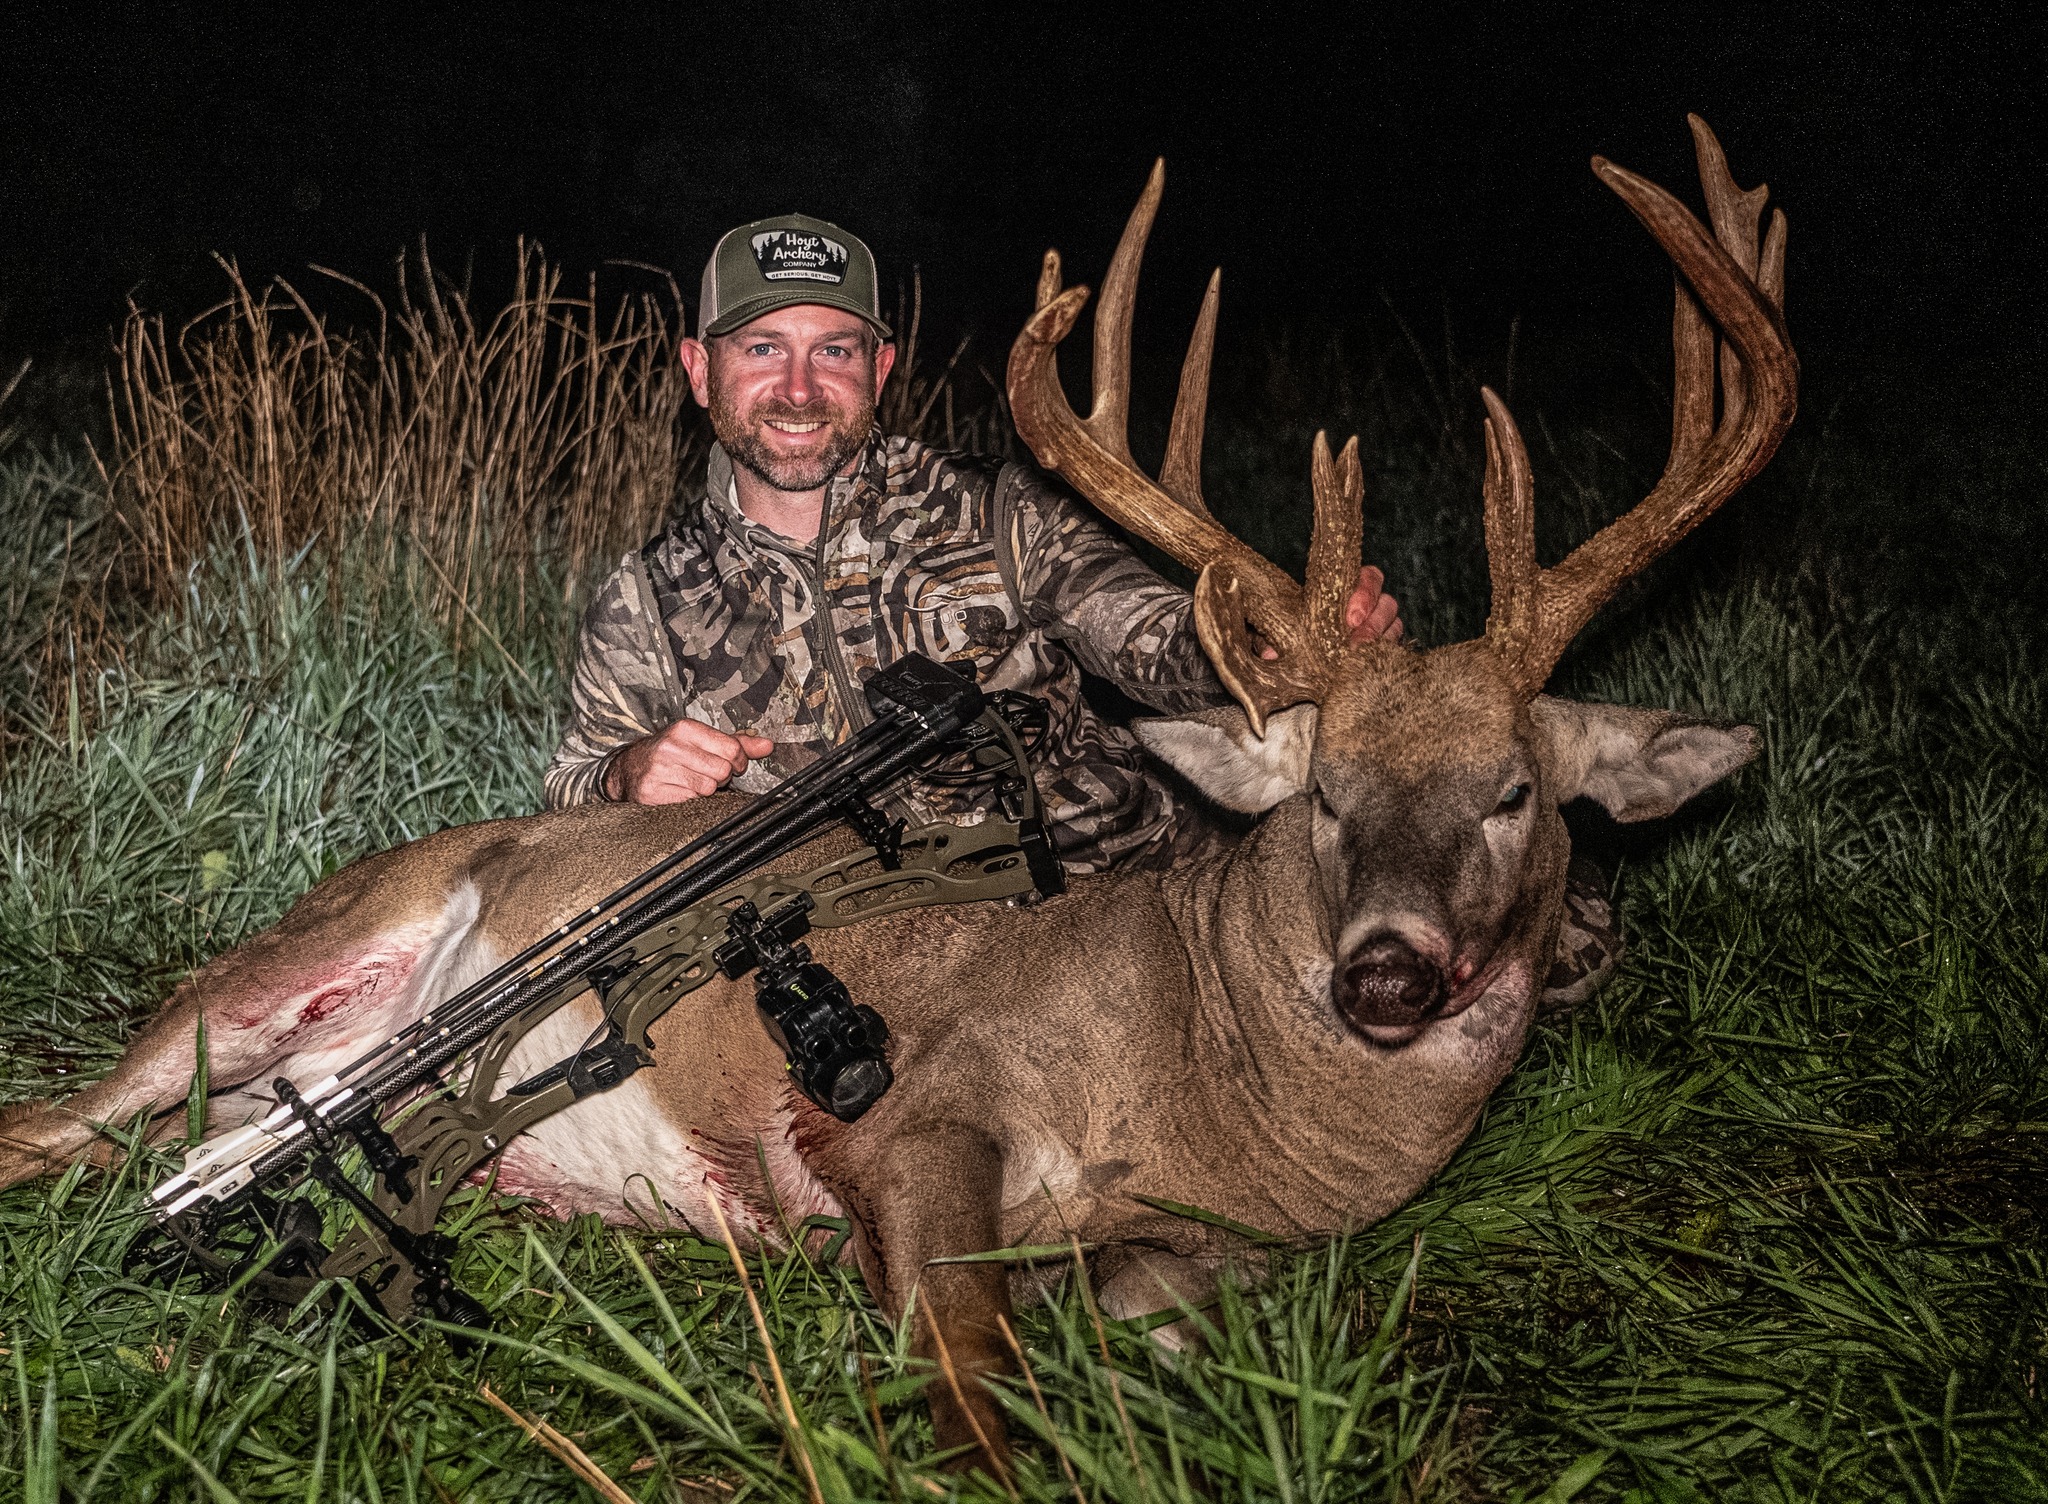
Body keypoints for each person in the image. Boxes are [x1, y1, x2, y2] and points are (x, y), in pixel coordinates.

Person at [542, 213, 1401, 876]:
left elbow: (1157, 642)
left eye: (833, 351)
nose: (798, 389)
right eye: (763, 348)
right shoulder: (647, 596)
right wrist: (626, 776)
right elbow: (569, 795)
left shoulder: (994, 507)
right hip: (878, 959)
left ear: (877, 372)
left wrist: (1271, 648)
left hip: (1111, 894)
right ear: (700, 370)